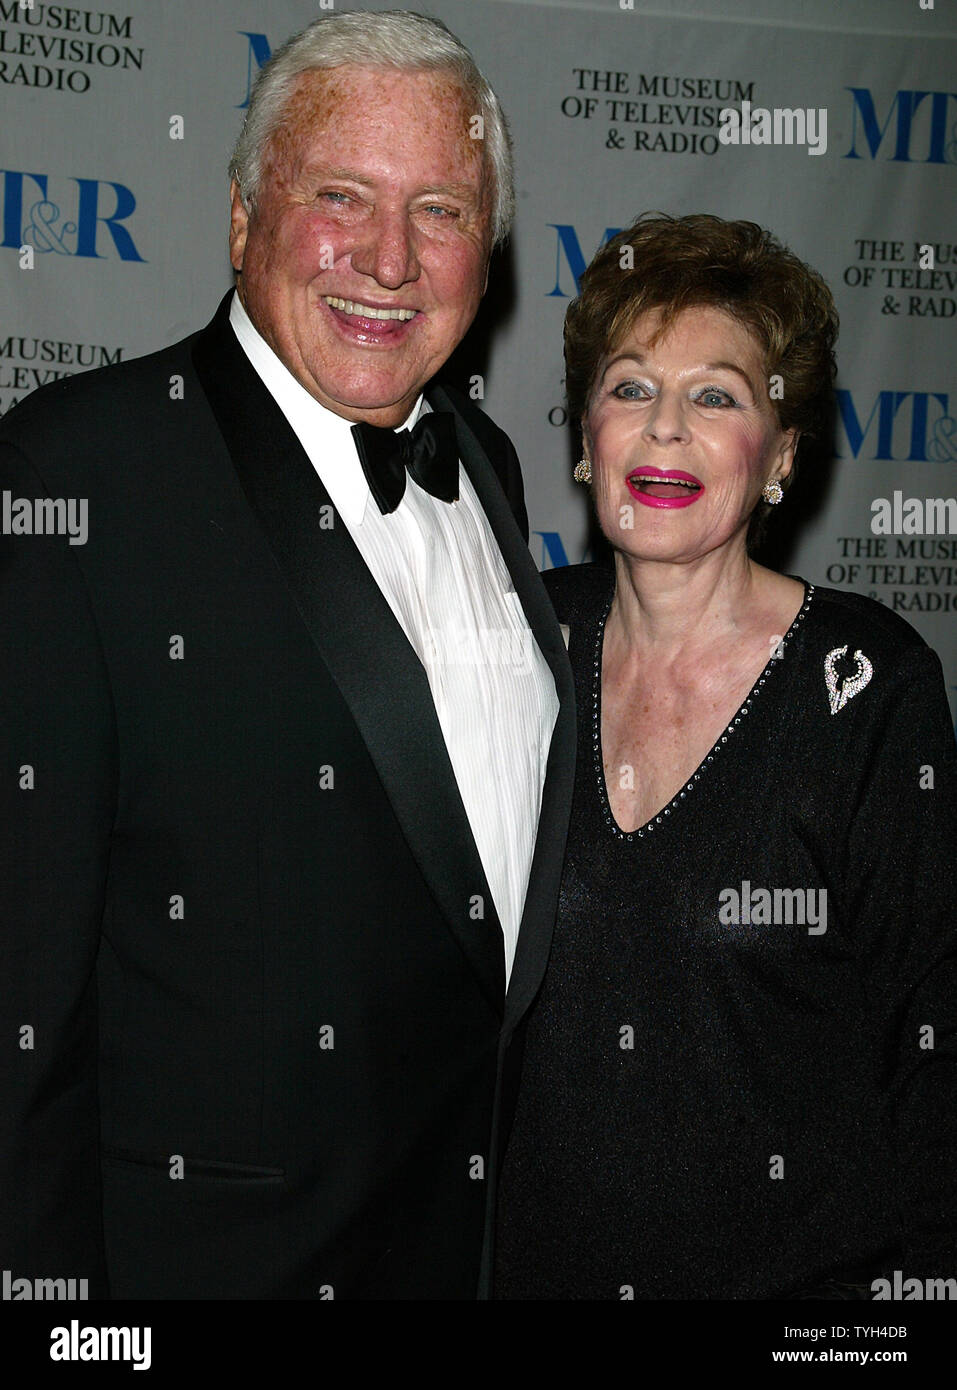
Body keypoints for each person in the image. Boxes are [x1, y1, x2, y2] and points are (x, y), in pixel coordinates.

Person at [0, 11, 575, 1300]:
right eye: (340, 197)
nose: (389, 257)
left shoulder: (485, 467)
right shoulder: (76, 479)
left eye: (439, 208)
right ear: (245, 215)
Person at [494, 213, 957, 1299]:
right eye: (629, 388)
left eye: (716, 396)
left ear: (783, 456)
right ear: (582, 438)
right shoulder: (518, 643)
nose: (664, 430)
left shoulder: (867, 687)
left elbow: (935, 1047)